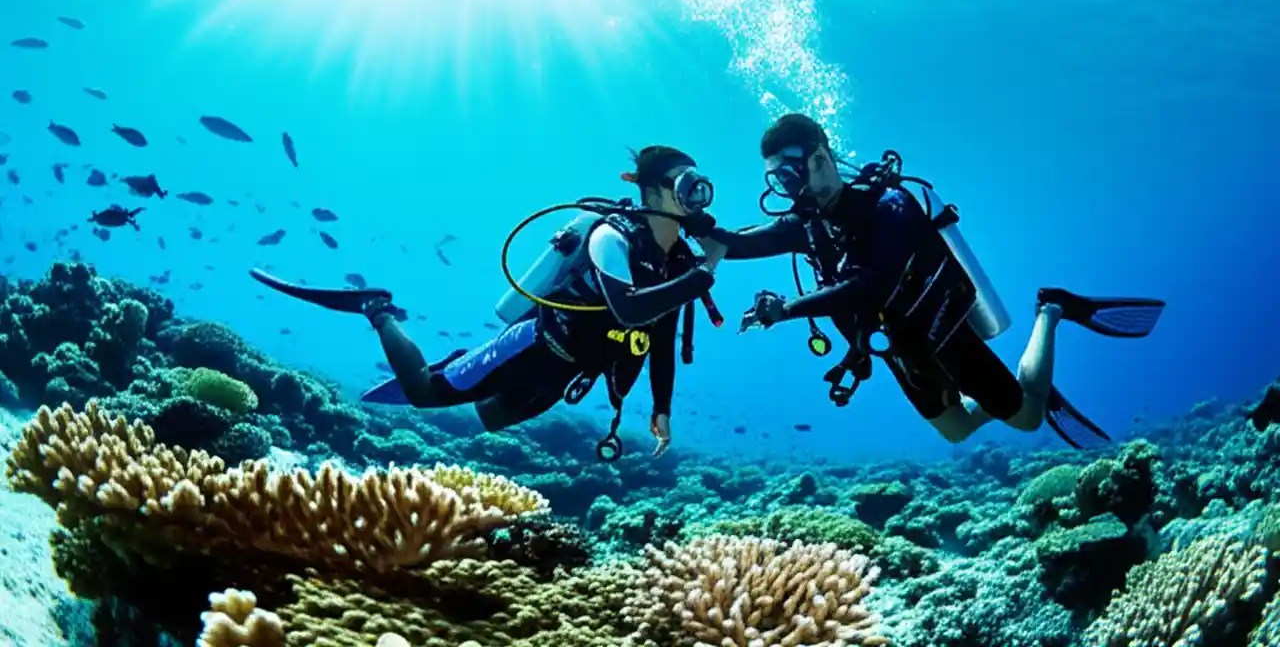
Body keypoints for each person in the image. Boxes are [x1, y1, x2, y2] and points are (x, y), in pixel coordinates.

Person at [707, 113, 1165, 446]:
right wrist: (685, 224)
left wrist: (788, 309)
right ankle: (1013, 389)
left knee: (1026, 418)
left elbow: (873, 281)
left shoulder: (890, 206)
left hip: (940, 331)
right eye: (777, 179)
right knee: (955, 430)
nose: (788, 188)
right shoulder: (808, 225)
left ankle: (1051, 310)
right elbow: (736, 242)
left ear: (822, 157)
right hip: (899, 349)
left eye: (791, 172)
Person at [251, 146, 727, 459]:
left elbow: (660, 337)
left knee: (490, 420)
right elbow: (629, 310)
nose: (696, 194)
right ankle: (376, 309)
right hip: (535, 347)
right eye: (684, 183)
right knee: (424, 394)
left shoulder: (678, 262)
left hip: (566, 375)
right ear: (652, 190)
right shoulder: (610, 238)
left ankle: (460, 364)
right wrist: (705, 272)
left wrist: (661, 408)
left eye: (699, 184)